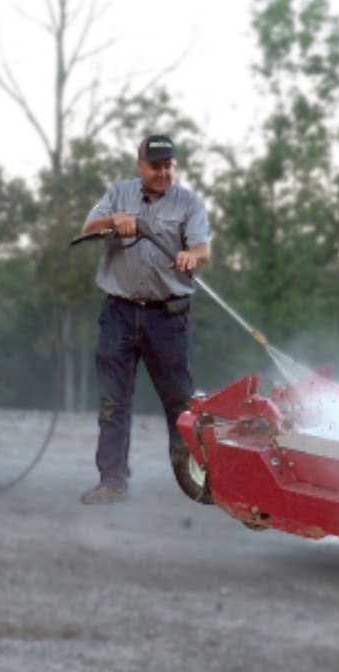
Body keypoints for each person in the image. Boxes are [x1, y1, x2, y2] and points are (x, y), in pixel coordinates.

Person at [77, 134, 212, 504]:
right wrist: (115, 219)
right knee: (113, 403)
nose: (163, 172)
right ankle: (112, 483)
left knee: (180, 403)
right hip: (119, 313)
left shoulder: (189, 202)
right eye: (155, 166)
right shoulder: (118, 193)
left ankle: (198, 481)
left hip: (167, 317)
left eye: (169, 166)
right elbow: (88, 228)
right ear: (140, 166)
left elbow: (203, 247)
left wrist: (192, 256)